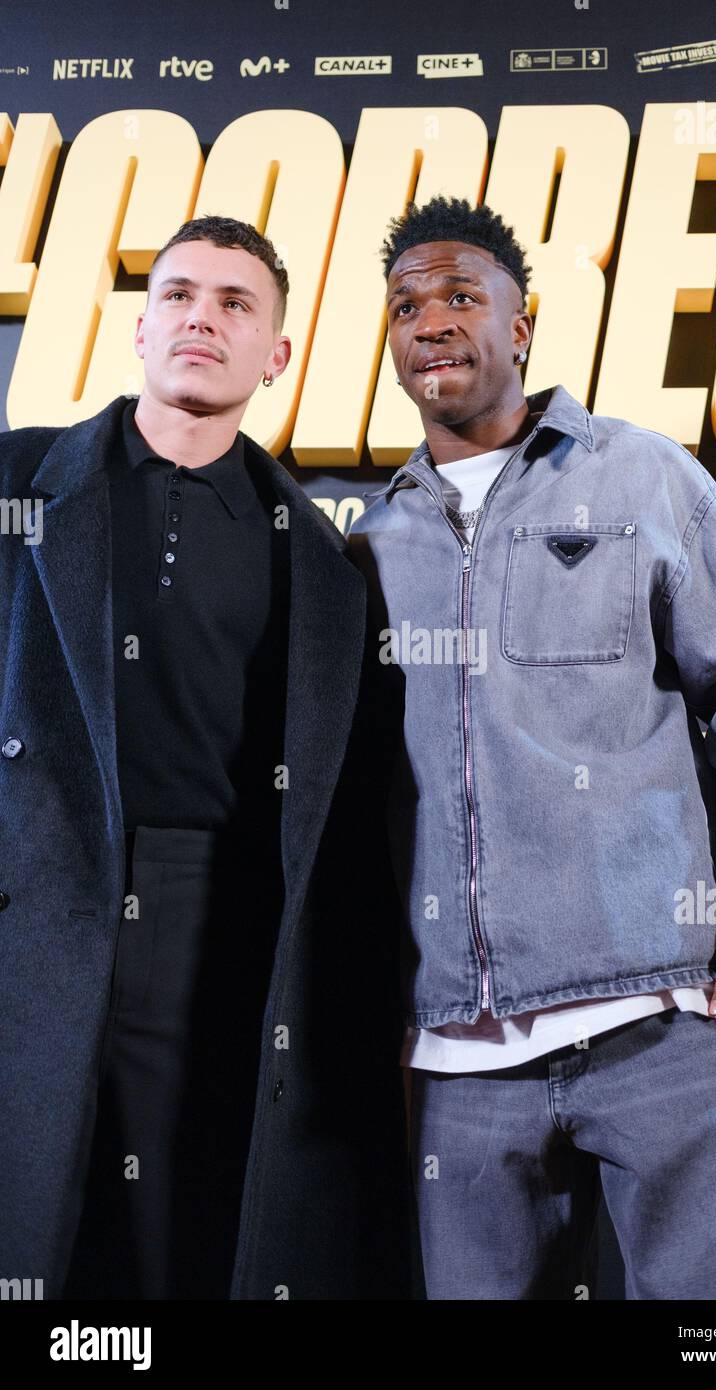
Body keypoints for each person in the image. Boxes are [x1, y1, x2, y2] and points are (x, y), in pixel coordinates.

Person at [347, 195, 716, 1300]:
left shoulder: (639, 477)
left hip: (664, 1026)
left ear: (520, 327)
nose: (430, 319)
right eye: (405, 304)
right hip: (456, 1069)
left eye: (461, 295)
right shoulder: (372, 545)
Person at [0, 215, 413, 1300]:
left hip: (215, 918)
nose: (202, 317)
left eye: (236, 304)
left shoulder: (323, 559)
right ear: (141, 327)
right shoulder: (18, 481)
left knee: (172, 1227)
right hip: (32, 891)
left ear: (276, 355)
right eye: (180, 294)